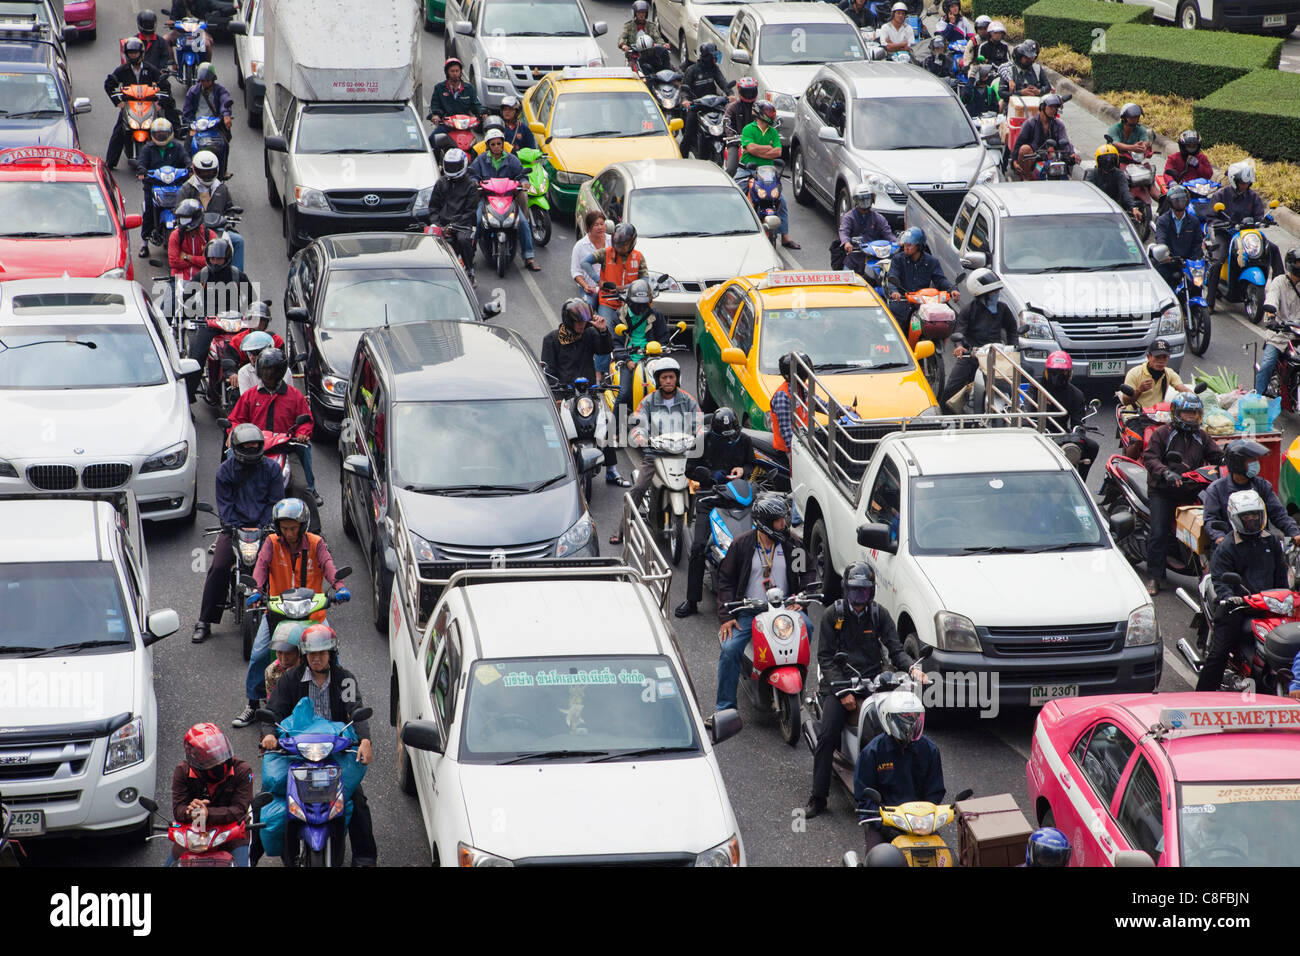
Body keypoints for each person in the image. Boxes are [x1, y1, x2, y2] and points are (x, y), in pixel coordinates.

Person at [806, 563, 923, 818]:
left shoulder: (879, 615)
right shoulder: (832, 616)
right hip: (840, 684)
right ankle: (818, 797)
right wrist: (841, 691)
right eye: (855, 592)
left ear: (872, 593)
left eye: (865, 592)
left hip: (873, 682)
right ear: (846, 590)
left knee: (902, 726)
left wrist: (913, 669)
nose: (859, 598)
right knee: (827, 736)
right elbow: (825, 659)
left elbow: (895, 649)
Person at [262, 624, 377, 866]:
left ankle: (365, 856)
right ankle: (275, 853)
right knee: (275, 796)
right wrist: (269, 735)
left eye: (321, 653)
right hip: (298, 752)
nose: (316, 659)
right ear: (305, 655)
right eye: (312, 654)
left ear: (331, 654)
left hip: (335, 751)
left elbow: (355, 711)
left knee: (357, 800)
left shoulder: (345, 679)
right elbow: (274, 711)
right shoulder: (290, 680)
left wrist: (365, 740)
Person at [234, 497, 350, 727]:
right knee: (258, 655)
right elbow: (261, 566)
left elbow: (328, 566)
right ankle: (252, 703)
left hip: (312, 613)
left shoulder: (317, 543)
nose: (288, 533)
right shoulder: (271, 543)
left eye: (293, 528)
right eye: (284, 528)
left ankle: (342, 705)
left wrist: (340, 587)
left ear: (303, 526)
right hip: (278, 612)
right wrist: (256, 589)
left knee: (333, 655)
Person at [713, 494, 812, 711]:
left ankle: (799, 687)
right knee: (730, 650)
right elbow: (726, 581)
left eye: (783, 519)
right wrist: (727, 617)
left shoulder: (793, 544)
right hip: (750, 611)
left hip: (785, 608)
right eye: (778, 520)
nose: (784, 524)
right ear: (765, 523)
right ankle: (725, 709)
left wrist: (801, 601)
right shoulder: (742, 545)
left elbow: (806, 574)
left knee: (808, 626)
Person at [195, 423, 285, 643]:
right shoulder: (225, 471)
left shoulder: (272, 470)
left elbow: (275, 502)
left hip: (265, 528)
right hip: (234, 528)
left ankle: (286, 613)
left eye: (255, 444)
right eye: (247, 445)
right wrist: (234, 525)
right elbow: (225, 505)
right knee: (219, 567)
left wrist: (265, 525)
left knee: (281, 565)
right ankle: (204, 621)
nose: (252, 448)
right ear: (236, 446)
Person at [1198, 490, 1289, 691]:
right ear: (1235, 518)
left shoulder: (1271, 541)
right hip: (1238, 607)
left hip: (1268, 605)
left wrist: (1287, 596)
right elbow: (1220, 579)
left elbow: (1281, 575)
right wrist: (1231, 598)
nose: (1251, 520)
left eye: (1255, 515)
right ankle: (1201, 696)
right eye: (1246, 516)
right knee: (1218, 654)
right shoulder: (1227, 546)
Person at [611, 357, 703, 545]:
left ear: (677, 378)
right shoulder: (648, 401)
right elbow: (638, 421)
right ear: (657, 381)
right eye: (664, 378)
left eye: (671, 377)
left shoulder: (688, 400)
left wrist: (700, 435)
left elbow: (698, 422)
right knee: (638, 489)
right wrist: (639, 435)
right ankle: (621, 530)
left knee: (703, 489)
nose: (668, 381)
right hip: (655, 455)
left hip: (682, 455)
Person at [676, 407, 756, 619]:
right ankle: (692, 600)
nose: (730, 441)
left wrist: (743, 471)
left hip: (738, 497)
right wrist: (711, 475)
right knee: (698, 547)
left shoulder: (746, 441)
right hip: (708, 496)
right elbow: (689, 469)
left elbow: (751, 464)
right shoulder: (702, 442)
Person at [540, 298, 628, 487]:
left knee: (605, 423)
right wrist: (556, 397)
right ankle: (552, 469)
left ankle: (611, 471)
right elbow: (548, 372)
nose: (581, 325)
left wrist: (603, 330)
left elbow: (605, 350)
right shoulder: (551, 339)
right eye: (578, 322)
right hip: (563, 395)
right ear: (568, 321)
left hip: (588, 393)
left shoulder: (589, 334)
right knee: (552, 430)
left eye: (583, 322)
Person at [1142, 392, 1223, 594]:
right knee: (1158, 532)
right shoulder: (1162, 433)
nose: (1191, 417)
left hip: (1190, 489)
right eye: (1187, 413)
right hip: (1163, 491)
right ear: (1176, 413)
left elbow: (1217, 456)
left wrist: (1231, 458)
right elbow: (1150, 458)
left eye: (1195, 413)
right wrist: (1165, 472)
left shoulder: (1202, 436)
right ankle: (1154, 577)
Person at [227, 348, 321, 507]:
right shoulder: (250, 396)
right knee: (231, 475)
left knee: (301, 487)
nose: (268, 374)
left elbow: (306, 421)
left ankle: (313, 503)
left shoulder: (294, 396)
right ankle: (228, 525)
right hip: (253, 447)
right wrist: (233, 433)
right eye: (265, 370)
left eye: (272, 370)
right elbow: (236, 419)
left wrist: (302, 433)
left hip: (286, 447)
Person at [854, 689, 944, 851]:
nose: (910, 725)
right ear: (890, 719)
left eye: (914, 718)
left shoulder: (929, 750)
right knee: (877, 858)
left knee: (941, 857)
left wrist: (924, 819)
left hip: (920, 822)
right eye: (905, 719)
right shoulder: (872, 752)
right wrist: (883, 825)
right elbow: (864, 797)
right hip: (885, 822)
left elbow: (935, 792)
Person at [167, 724, 253, 866]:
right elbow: (178, 810)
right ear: (195, 759)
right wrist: (191, 810)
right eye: (211, 762)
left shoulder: (243, 771)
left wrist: (206, 813)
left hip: (232, 834)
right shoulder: (182, 771)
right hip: (194, 835)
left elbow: (239, 810)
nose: (219, 763)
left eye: (220, 757)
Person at [1205, 161, 1284, 313]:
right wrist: (1222, 224)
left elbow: (1259, 214)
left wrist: (1265, 220)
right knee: (1217, 261)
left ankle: (1279, 293)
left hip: (1249, 235)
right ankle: (1209, 302)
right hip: (1227, 235)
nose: (1245, 186)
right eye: (1242, 182)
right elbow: (1211, 217)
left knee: (1273, 249)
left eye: (1248, 183)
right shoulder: (1221, 195)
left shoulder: (1253, 197)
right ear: (1234, 181)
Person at [1201, 439, 1300, 547]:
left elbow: (1279, 514)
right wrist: (1220, 538)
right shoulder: (1216, 490)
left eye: (1256, 460)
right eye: (1252, 461)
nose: (1256, 464)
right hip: (1230, 548)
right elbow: (1210, 520)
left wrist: (1294, 532)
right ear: (1237, 463)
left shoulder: (1262, 486)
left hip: (1260, 544)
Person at [937, 267, 1011, 411]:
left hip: (995, 357)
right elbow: (960, 331)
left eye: (997, 292)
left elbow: (1012, 330)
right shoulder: (968, 310)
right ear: (982, 294)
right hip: (971, 355)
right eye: (993, 293)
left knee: (1018, 383)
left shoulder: (1003, 308)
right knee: (950, 390)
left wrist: (1014, 347)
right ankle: (943, 419)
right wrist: (959, 346)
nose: (997, 295)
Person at [469, 127, 541, 272]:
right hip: (487, 199)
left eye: (499, 144)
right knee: (476, 222)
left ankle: (529, 257)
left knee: (522, 223)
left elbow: (521, 175)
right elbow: (473, 174)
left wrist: (524, 182)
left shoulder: (511, 159)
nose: (496, 147)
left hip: (508, 199)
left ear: (503, 144)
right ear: (488, 145)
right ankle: (468, 257)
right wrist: (475, 181)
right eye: (493, 144)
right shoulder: (481, 160)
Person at [737, 101, 799, 249]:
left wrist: (756, 150)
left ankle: (785, 237)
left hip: (767, 173)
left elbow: (778, 152)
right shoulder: (748, 129)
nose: (772, 115)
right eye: (768, 112)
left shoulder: (773, 132)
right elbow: (750, 148)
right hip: (747, 170)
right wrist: (767, 148)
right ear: (759, 113)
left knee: (781, 201)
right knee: (737, 196)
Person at [104, 37, 166, 169]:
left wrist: (159, 102)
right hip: (130, 106)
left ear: (141, 53)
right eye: (130, 53)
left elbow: (164, 84)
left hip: (149, 105)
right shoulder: (122, 70)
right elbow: (109, 84)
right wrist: (118, 103)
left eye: (135, 52)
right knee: (119, 130)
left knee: (162, 128)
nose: (133, 55)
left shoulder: (150, 69)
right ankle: (110, 162)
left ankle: (165, 160)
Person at [177, 149, 244, 270]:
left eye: (210, 172)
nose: (206, 175)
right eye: (203, 172)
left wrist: (230, 218)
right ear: (195, 170)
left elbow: (229, 208)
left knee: (238, 241)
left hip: (218, 229)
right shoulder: (187, 188)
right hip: (195, 230)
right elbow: (179, 210)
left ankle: (237, 279)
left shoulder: (221, 188)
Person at [884, 226, 958, 332]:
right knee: (896, 333)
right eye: (905, 244)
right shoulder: (898, 259)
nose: (906, 247)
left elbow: (940, 280)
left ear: (919, 246)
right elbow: (893, 276)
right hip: (902, 304)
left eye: (909, 245)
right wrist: (894, 292)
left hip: (923, 305)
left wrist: (952, 289)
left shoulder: (932, 262)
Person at [135, 117, 190, 255]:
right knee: (148, 212)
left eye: (163, 134)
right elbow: (142, 162)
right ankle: (144, 242)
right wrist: (142, 170)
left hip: (175, 186)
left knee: (188, 209)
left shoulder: (177, 147)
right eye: (158, 134)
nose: (161, 137)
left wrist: (190, 166)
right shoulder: (148, 148)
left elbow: (185, 159)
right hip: (153, 186)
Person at [1041, 350, 1098, 478]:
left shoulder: (1076, 394)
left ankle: (1080, 481)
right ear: (1046, 372)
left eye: (1061, 373)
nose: (1056, 377)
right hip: (1037, 431)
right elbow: (1027, 412)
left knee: (1092, 447)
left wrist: (1078, 434)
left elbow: (1078, 423)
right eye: (1053, 373)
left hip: (1061, 433)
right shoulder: (1036, 387)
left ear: (1069, 374)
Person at [582, 222, 649, 329]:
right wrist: (599, 281)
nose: (619, 248)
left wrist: (625, 288)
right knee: (604, 328)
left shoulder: (638, 257)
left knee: (638, 329)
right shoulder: (605, 253)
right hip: (608, 302)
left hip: (630, 304)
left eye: (623, 245)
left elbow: (645, 279)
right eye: (617, 244)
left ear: (632, 243)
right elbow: (584, 263)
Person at [428, 148, 478, 281]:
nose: (452, 168)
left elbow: (470, 211)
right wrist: (437, 224)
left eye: (455, 165)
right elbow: (433, 207)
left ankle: (470, 270)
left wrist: (454, 226)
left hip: (463, 224)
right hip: (443, 224)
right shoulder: (440, 183)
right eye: (450, 165)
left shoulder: (471, 185)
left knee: (463, 240)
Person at [1256, 248, 1300, 395]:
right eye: (1298, 263)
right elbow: (1271, 300)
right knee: (1267, 364)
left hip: (1298, 335)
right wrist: (1271, 317)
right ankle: (1257, 398)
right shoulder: (1279, 282)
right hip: (1280, 333)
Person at [181, 63, 234, 176]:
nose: (204, 83)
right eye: (202, 80)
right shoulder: (193, 91)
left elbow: (225, 101)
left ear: (212, 79)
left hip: (215, 126)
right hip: (197, 126)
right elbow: (187, 111)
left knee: (224, 145)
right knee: (186, 147)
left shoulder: (220, 90)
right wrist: (190, 124)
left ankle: (222, 171)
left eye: (206, 80)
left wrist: (225, 116)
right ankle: (188, 171)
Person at [682, 42, 734, 152]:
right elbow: (684, 90)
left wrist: (730, 94)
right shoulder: (691, 70)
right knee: (688, 134)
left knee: (728, 126)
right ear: (708, 56)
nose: (716, 58)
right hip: (696, 106)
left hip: (714, 103)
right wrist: (685, 100)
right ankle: (683, 156)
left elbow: (722, 82)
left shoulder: (714, 68)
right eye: (714, 55)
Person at [1012, 94, 1079, 179]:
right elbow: (1018, 144)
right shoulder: (1030, 123)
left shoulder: (1058, 124)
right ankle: (1027, 178)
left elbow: (1065, 140)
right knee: (1025, 149)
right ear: (1042, 107)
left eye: (1055, 108)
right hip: (1034, 157)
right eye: (1051, 107)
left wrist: (1072, 153)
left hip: (1052, 157)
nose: (1053, 110)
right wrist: (1014, 161)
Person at [1153, 185, 1204, 294]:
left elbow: (1198, 243)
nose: (1180, 203)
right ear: (1170, 202)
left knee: (1197, 286)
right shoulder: (1163, 221)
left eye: (1182, 200)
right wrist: (1166, 256)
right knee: (1163, 288)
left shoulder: (1194, 221)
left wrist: (1194, 259)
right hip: (1169, 262)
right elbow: (1161, 239)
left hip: (1188, 264)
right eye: (1176, 201)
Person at [836, 184, 896, 276]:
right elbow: (844, 231)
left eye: (867, 199)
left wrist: (897, 243)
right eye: (861, 200)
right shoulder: (848, 217)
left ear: (872, 200)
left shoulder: (878, 218)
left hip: (874, 260)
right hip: (854, 260)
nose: (865, 203)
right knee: (844, 284)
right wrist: (846, 243)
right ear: (856, 201)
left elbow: (888, 233)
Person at [427, 57, 483, 139]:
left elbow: (476, 105)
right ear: (447, 72)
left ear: (460, 72)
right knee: (432, 140)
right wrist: (435, 116)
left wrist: (483, 113)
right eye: (452, 71)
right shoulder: (439, 88)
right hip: (446, 126)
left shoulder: (469, 88)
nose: (455, 73)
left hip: (465, 126)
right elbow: (434, 105)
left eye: (457, 71)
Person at [1086, 143, 1139, 221]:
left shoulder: (1119, 174)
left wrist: (1133, 207)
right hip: (1096, 210)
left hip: (1114, 209)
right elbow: (1088, 192)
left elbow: (1125, 191)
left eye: (1111, 160)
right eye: (1105, 160)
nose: (1108, 162)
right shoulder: (1092, 174)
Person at [167, 197, 214, 281]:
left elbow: (211, 263)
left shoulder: (209, 235)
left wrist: (187, 257)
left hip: (203, 279)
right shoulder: (175, 235)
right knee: (170, 294)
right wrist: (199, 260)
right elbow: (173, 262)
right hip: (179, 279)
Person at [571, 210, 607, 314]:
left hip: (607, 289)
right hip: (589, 289)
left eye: (602, 224)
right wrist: (585, 286)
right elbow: (575, 271)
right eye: (596, 225)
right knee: (586, 313)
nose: (600, 227)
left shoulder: (612, 242)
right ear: (589, 227)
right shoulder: (580, 246)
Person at [263, 621, 307, 701]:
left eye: (288, 654)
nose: (283, 659)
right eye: (279, 652)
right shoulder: (271, 672)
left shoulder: (310, 668)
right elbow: (273, 703)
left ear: (299, 652)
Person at [134, 10, 177, 76]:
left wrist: (161, 70)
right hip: (137, 76)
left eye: (150, 23)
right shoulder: (134, 41)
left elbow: (165, 58)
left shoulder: (161, 41)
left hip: (156, 76)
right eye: (146, 23)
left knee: (166, 85)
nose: (148, 25)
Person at [725, 77, 759, 153]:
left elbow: (767, 120)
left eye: (751, 92)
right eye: (746, 92)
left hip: (757, 141)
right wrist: (732, 137)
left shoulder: (760, 107)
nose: (749, 95)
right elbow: (727, 122)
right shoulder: (732, 107)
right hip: (737, 143)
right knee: (732, 158)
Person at [234, 330, 273, 395]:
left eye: (255, 352)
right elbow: (246, 398)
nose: (252, 357)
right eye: (249, 353)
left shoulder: (282, 369)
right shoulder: (243, 372)